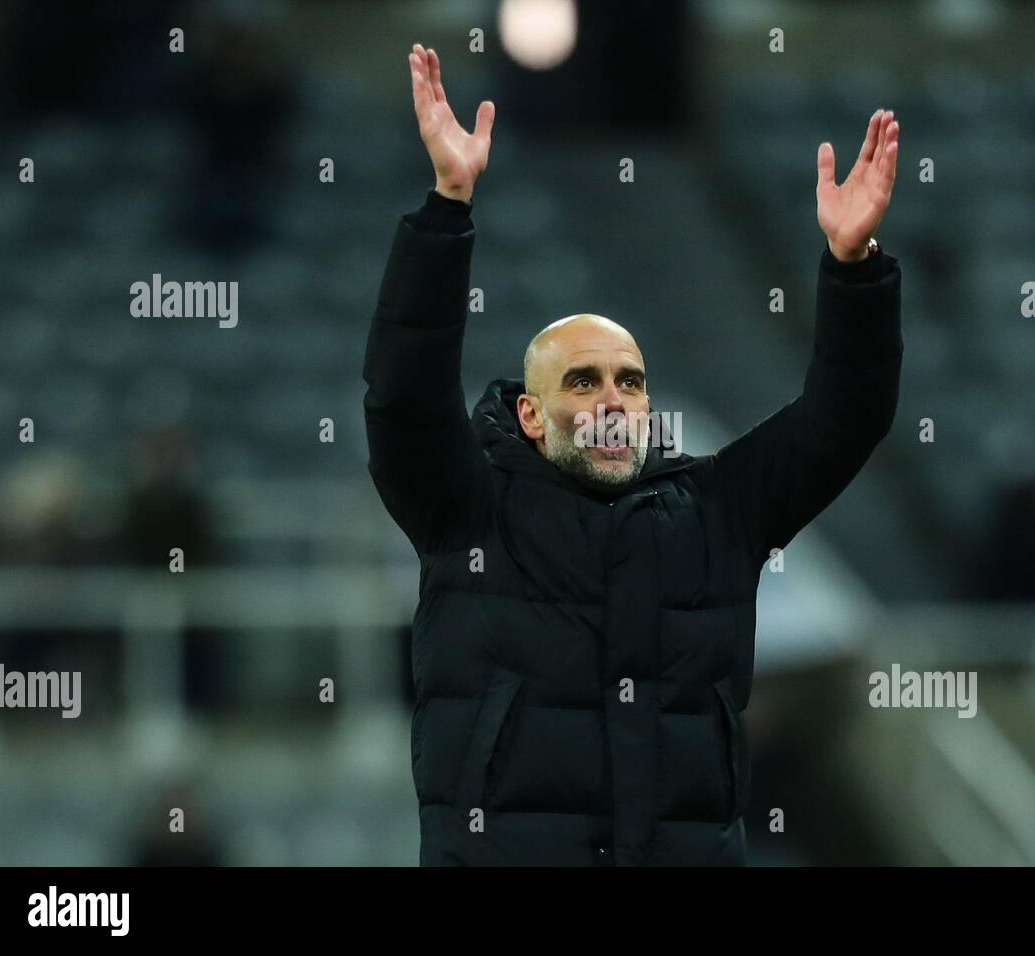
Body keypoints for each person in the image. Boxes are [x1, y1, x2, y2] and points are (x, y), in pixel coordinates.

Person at [363, 44, 903, 865]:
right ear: (531, 416)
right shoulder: (467, 509)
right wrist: (448, 208)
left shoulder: (719, 513)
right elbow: (405, 395)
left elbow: (846, 415)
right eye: (582, 381)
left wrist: (851, 268)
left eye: (630, 381)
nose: (613, 399)